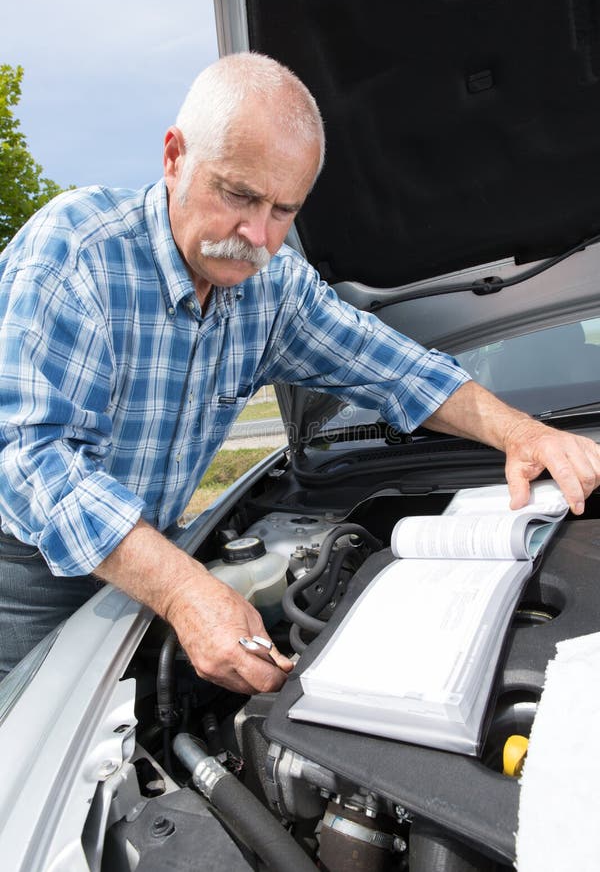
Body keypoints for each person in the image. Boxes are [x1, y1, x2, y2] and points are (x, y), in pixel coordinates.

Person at [1, 53, 599, 692]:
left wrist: (525, 436)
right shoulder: (75, 251)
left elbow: (395, 369)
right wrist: (182, 590)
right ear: (174, 156)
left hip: (157, 538)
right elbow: (34, 456)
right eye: (239, 195)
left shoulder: (274, 287)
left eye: (284, 210)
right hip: (32, 569)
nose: (258, 236)